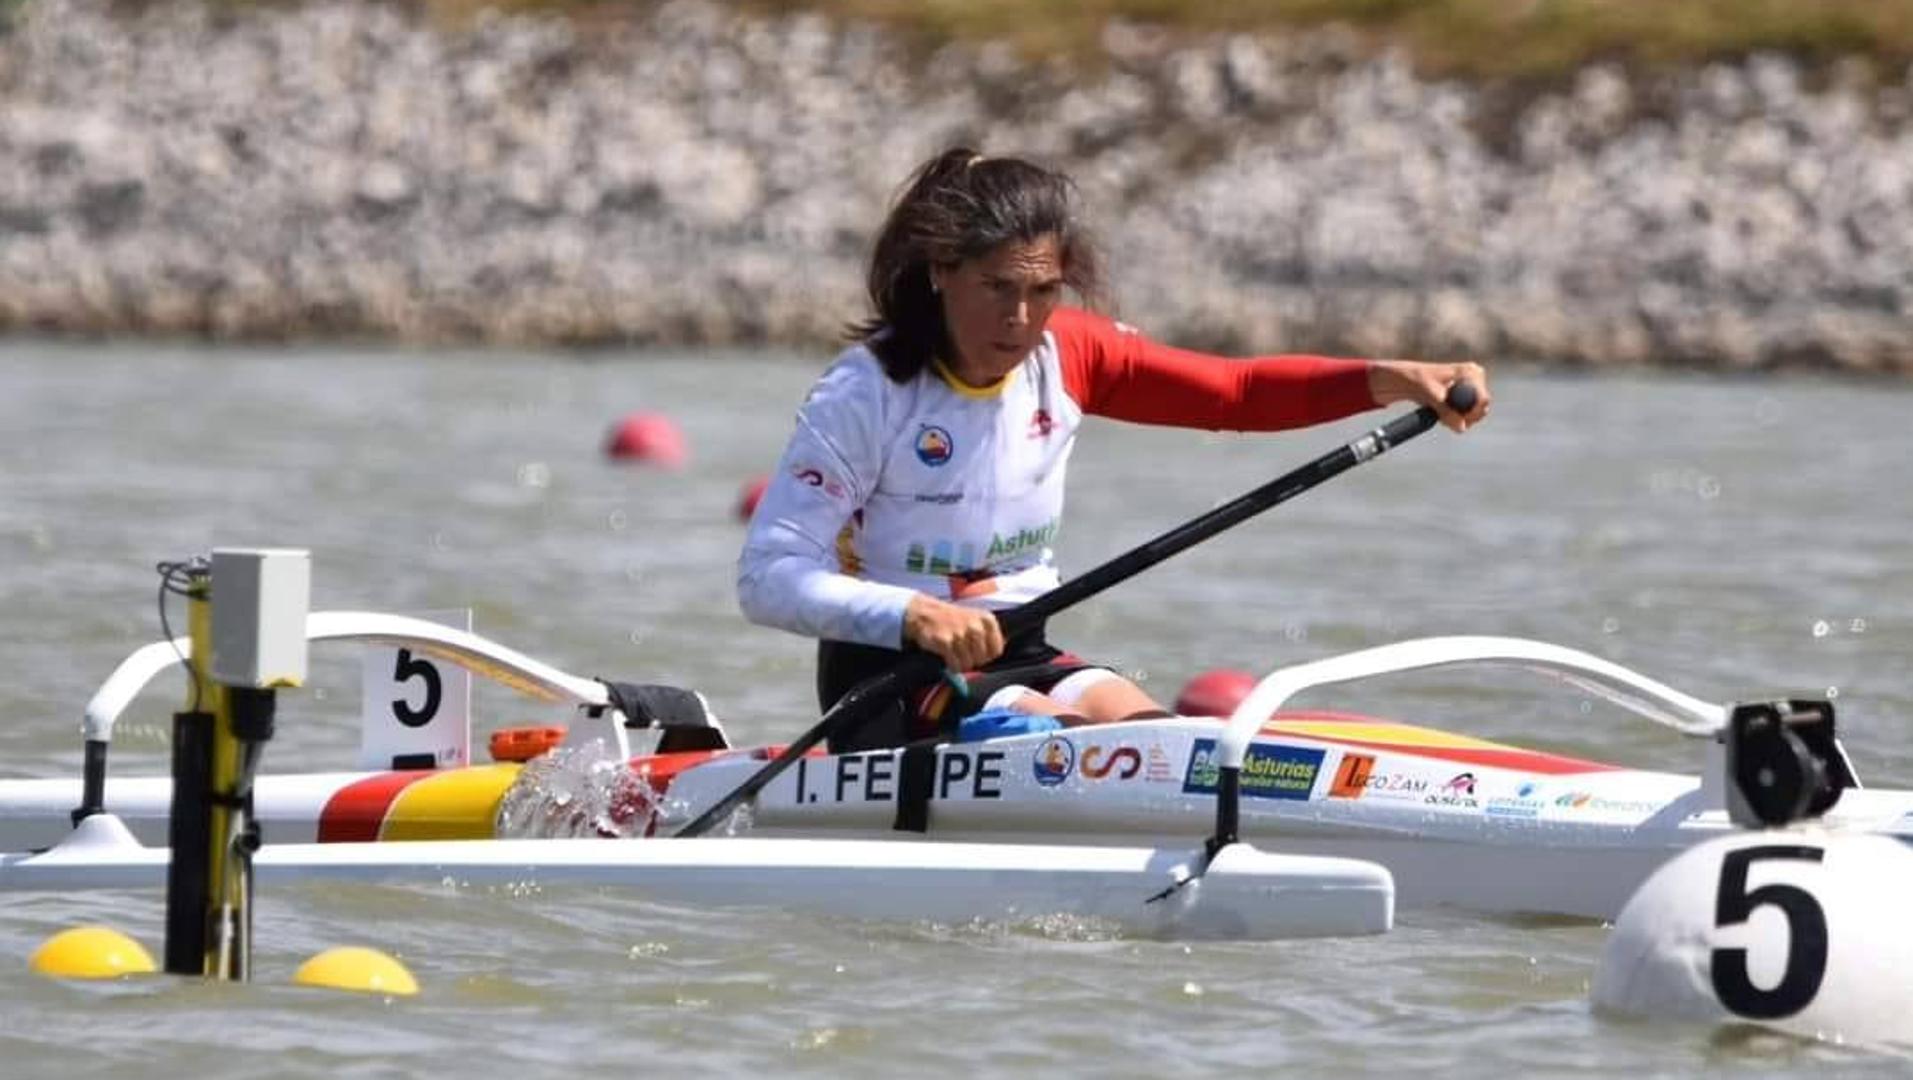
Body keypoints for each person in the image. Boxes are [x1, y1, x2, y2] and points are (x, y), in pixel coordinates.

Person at [738, 147, 1490, 751]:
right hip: (888, 678)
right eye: (997, 287)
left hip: (1023, 645)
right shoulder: (868, 391)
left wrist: (1390, 379)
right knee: (1079, 746)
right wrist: (913, 615)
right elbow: (768, 576)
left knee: (1164, 745)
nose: (1020, 318)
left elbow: (1235, 393)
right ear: (940, 272)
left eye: (1043, 292)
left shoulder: (1069, 355)